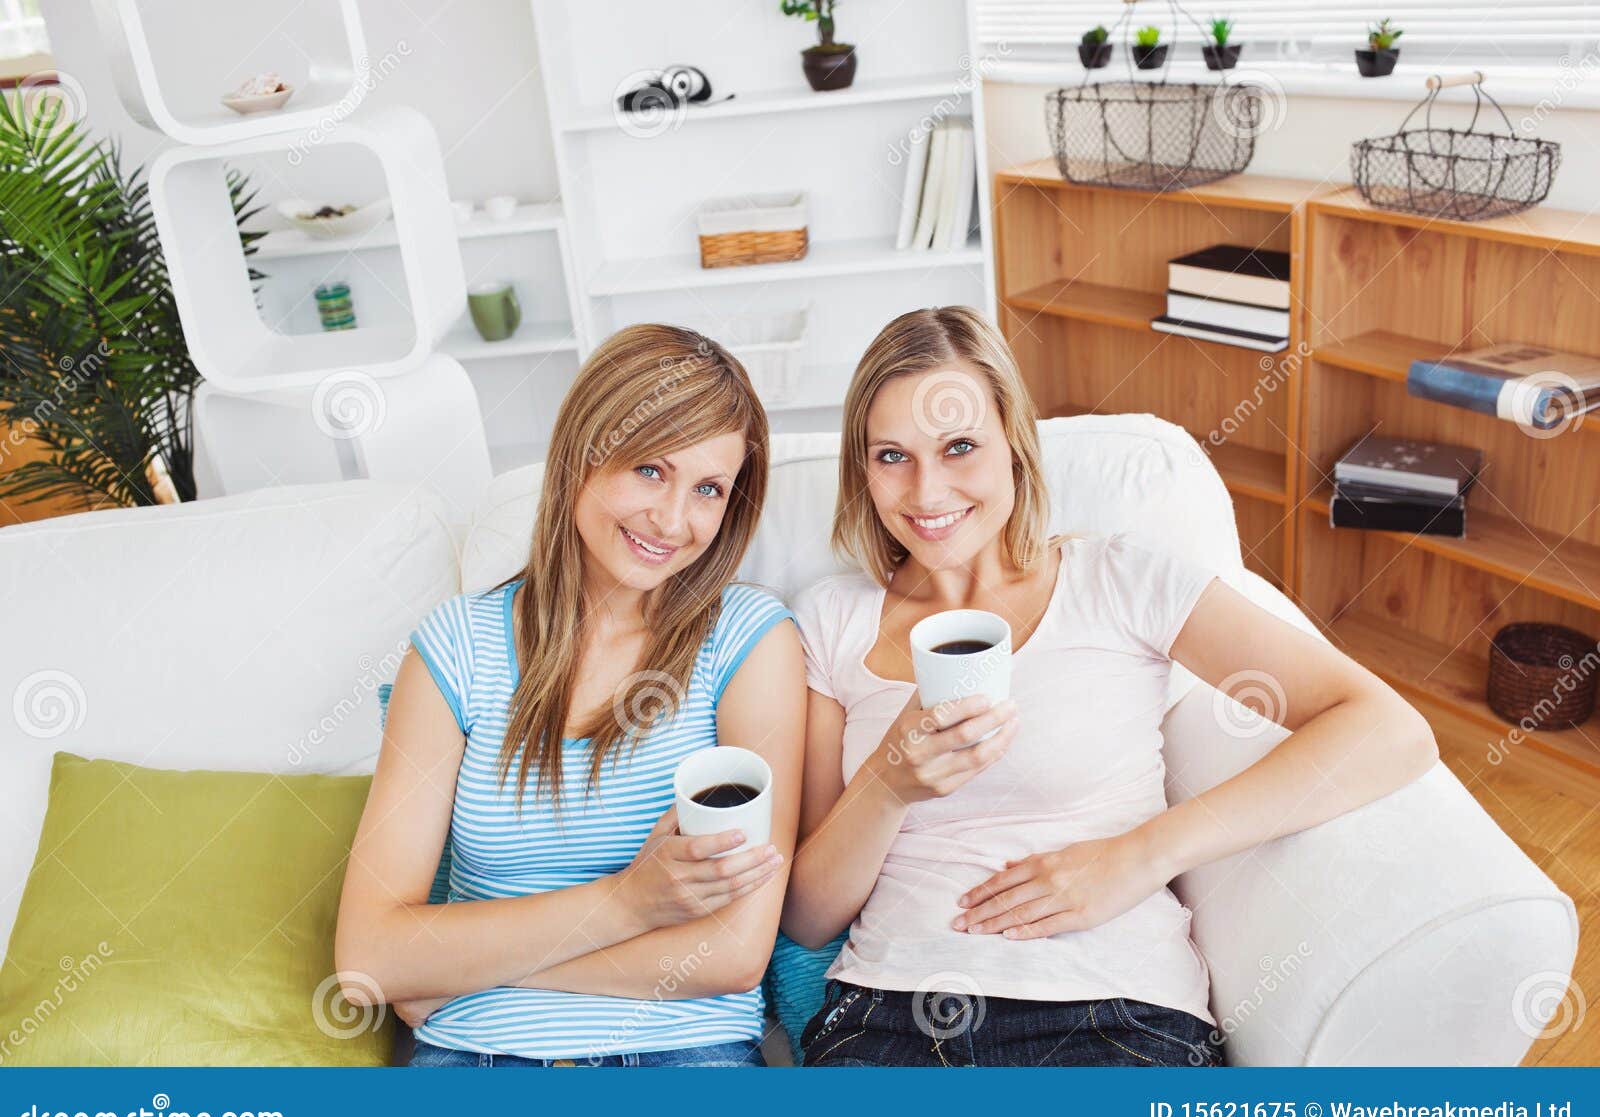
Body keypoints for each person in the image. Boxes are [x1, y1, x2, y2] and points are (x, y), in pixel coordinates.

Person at [780, 306, 1439, 1067]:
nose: (928, 492)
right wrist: (890, 782)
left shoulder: (1119, 580)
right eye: (892, 455)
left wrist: (1140, 855)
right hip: (889, 1017)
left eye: (959, 446)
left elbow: (1388, 728)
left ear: (1014, 446)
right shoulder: (832, 619)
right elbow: (807, 914)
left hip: (1113, 1010)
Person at [334, 324, 805, 1067]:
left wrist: (459, 962)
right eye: (650, 469)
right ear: (583, 452)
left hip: (682, 1057)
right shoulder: (456, 647)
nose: (673, 520)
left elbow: (733, 950)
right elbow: (368, 953)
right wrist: (628, 903)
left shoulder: (747, 642)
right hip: (475, 1060)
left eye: (708, 488)